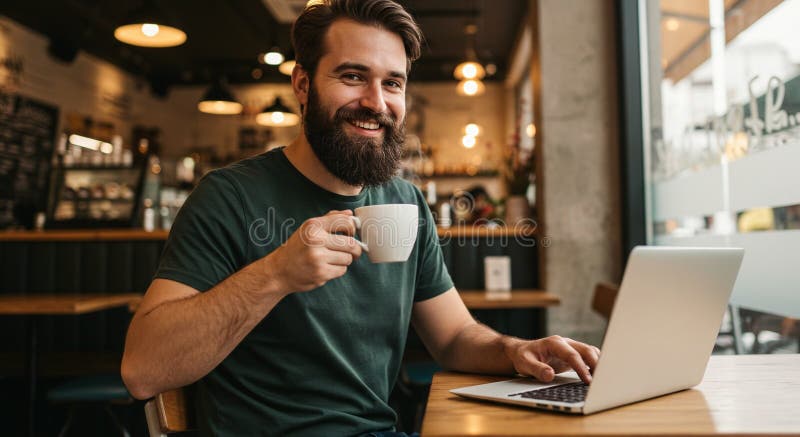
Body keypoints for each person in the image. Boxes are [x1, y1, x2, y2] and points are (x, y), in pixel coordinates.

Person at [121, 1, 600, 435]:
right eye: (352, 77)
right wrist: (275, 274)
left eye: (393, 82)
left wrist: (514, 351)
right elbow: (143, 369)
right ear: (303, 85)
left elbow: (453, 336)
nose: (376, 101)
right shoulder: (229, 197)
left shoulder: (406, 203)